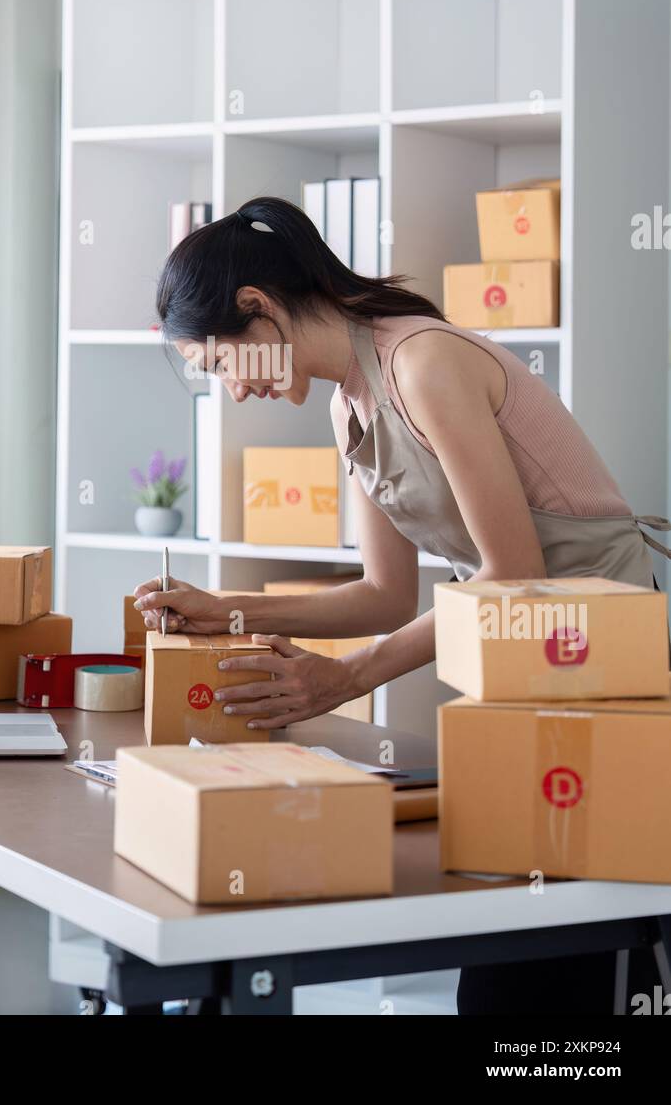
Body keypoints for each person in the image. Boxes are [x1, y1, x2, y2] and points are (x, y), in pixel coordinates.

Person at [133, 195, 669, 1014]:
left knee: (554, 967)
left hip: (609, 663)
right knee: (512, 963)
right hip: (525, 669)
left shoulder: (420, 363)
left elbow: (512, 572)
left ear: (257, 309)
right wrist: (226, 609)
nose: (232, 396)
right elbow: (384, 595)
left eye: (220, 368)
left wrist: (342, 680)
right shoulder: (346, 405)